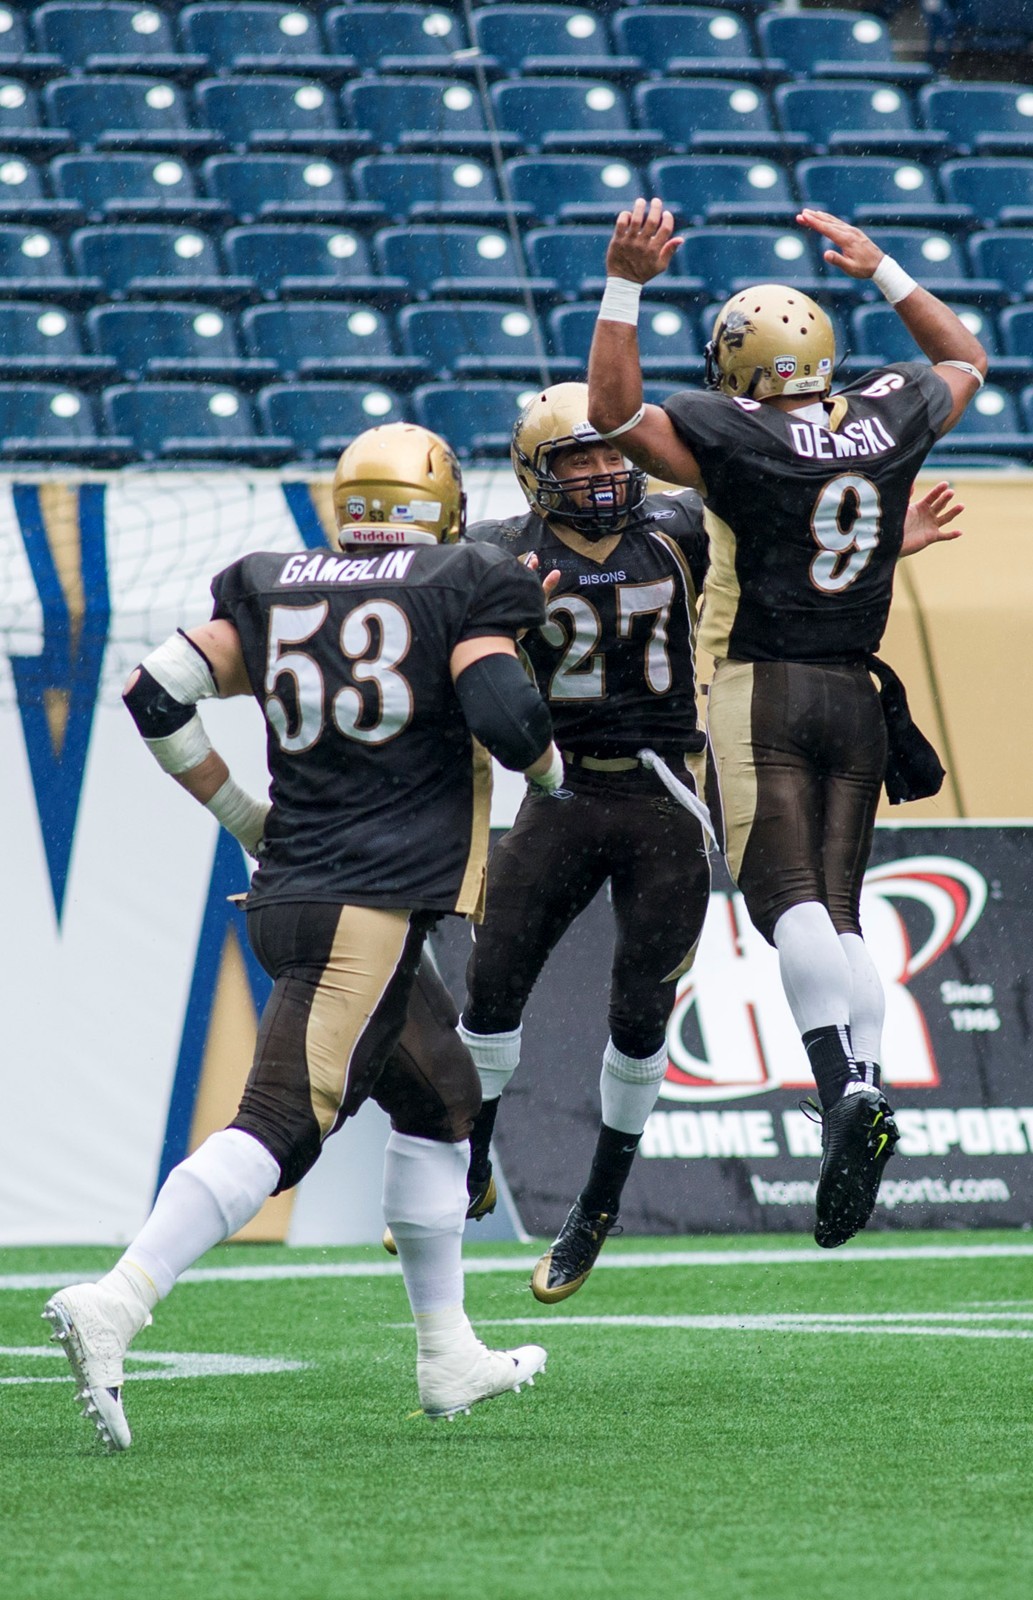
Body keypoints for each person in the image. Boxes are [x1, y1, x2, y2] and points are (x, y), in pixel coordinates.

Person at [43, 422, 565, 1450]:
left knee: (443, 1097)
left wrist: (242, 813)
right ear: (440, 500)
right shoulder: (464, 578)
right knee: (282, 1124)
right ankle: (120, 1299)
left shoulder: (274, 580)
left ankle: (447, 1351)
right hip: (361, 905)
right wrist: (550, 776)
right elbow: (503, 709)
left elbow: (154, 693)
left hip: (292, 887)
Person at [384, 383, 961, 1300]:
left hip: (662, 800)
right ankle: (473, 1158)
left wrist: (890, 541)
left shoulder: (680, 526)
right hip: (558, 792)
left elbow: (793, 552)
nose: (601, 469)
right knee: (489, 998)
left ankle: (596, 1209)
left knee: (639, 1018)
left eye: (606, 452)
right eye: (575, 458)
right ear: (537, 474)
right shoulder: (498, 550)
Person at [586, 201, 985, 1250]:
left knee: (786, 903)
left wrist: (622, 284)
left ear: (736, 363)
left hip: (757, 686)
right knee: (845, 916)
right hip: (857, 691)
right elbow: (965, 358)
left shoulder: (733, 430)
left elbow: (613, 412)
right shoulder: (889, 411)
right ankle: (865, 1080)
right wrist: (885, 266)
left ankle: (838, 1093)